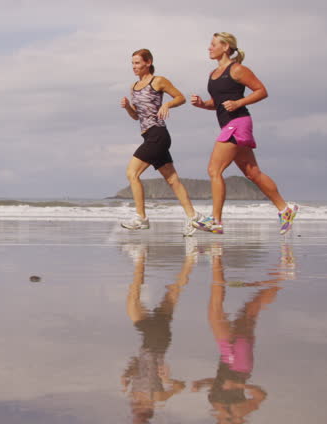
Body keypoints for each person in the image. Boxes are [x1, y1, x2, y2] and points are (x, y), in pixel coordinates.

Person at [190, 33, 298, 235]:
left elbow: (261, 90)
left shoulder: (237, 69)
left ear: (226, 47)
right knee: (252, 173)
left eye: (213, 44)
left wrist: (239, 103)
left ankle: (216, 221)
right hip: (230, 124)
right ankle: (285, 209)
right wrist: (202, 104)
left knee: (214, 170)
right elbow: (218, 103)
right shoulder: (213, 73)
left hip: (238, 122)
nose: (209, 48)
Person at [190, 242, 294, 423]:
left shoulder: (218, 408)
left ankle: (282, 273)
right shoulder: (238, 414)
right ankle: (216, 257)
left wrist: (203, 383)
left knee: (250, 309)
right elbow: (261, 395)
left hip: (228, 362)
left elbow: (220, 381)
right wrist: (239, 384)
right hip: (239, 366)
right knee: (217, 312)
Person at [119, 49, 202, 235]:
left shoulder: (158, 81)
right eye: (132, 63)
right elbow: (136, 117)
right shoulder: (134, 86)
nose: (134, 67)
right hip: (149, 135)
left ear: (148, 63)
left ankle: (141, 218)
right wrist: (127, 108)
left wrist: (167, 104)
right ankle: (193, 217)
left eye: (137, 63)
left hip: (159, 135)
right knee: (172, 180)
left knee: (132, 173)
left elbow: (180, 97)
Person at [121, 242, 196, 423]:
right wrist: (167, 379)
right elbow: (181, 386)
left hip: (152, 343)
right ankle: (141, 256)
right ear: (148, 413)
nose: (136, 407)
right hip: (156, 343)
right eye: (141, 413)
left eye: (135, 413)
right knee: (137, 298)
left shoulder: (134, 394)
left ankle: (190, 258)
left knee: (171, 293)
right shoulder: (158, 398)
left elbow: (140, 366)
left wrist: (127, 374)